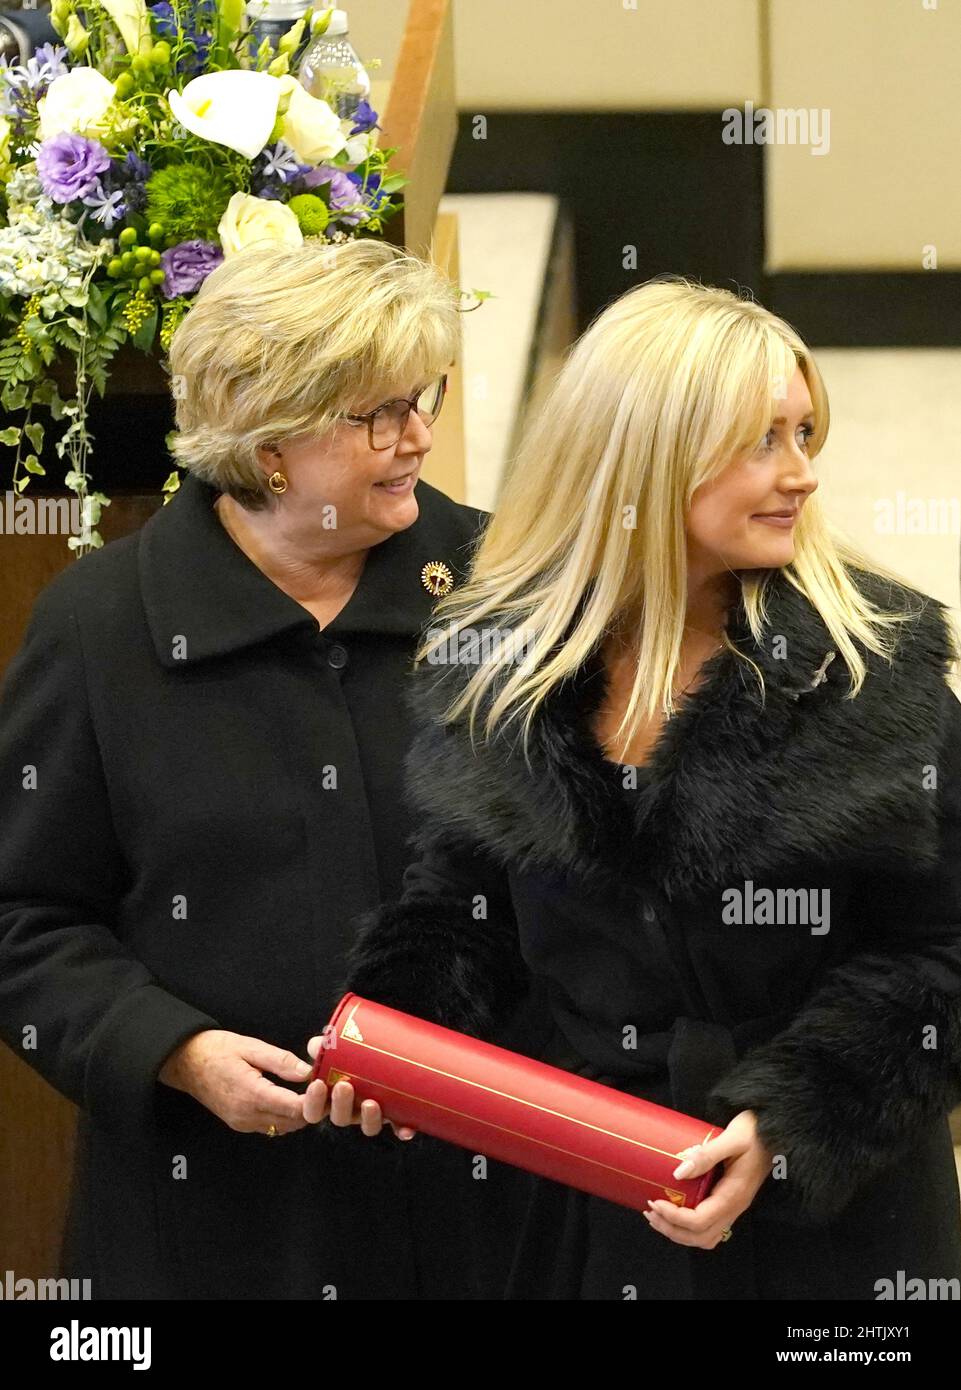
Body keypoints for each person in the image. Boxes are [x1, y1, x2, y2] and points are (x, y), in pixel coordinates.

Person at [322, 274, 961, 1299]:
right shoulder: (499, 666)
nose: (798, 474)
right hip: (590, 1201)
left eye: (805, 436)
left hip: (831, 1236)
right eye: (761, 441)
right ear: (642, 462)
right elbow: (463, 906)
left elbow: (942, 952)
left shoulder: (872, 674)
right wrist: (394, 1044)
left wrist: (787, 1122)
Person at [0, 238, 539, 1300]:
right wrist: (171, 1049)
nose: (418, 435)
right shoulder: (101, 624)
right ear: (268, 437)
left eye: (422, 396)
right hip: (217, 1219)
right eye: (375, 413)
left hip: (481, 1203)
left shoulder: (505, 591)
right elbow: (24, 915)